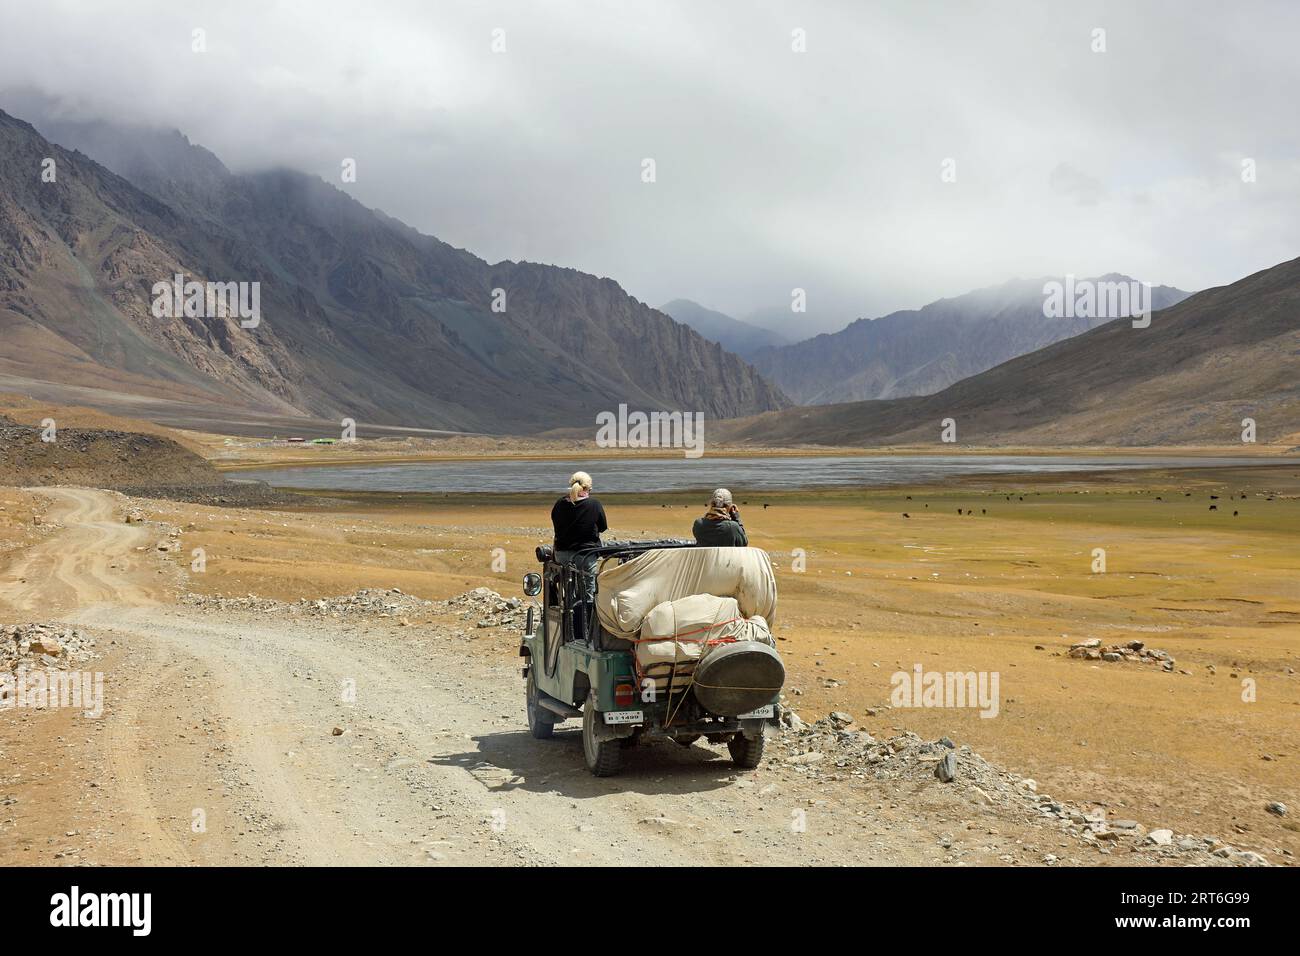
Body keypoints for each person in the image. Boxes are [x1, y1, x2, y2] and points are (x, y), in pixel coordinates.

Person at [551, 471, 607, 599]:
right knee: (588, 592)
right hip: (586, 554)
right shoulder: (594, 504)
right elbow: (603, 527)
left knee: (568, 590)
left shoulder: (560, 503)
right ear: (587, 488)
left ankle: (569, 614)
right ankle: (586, 616)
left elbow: (556, 525)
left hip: (562, 553)